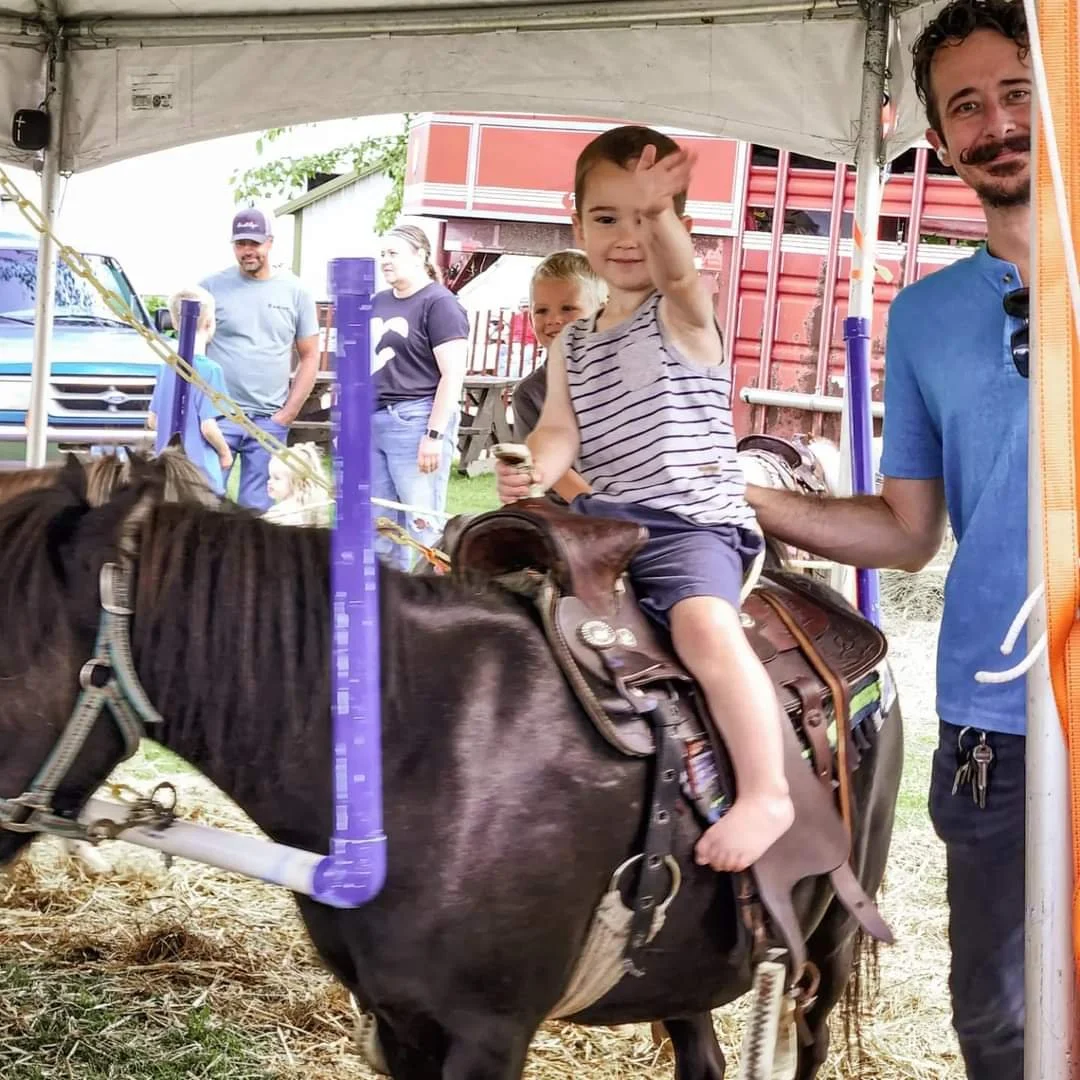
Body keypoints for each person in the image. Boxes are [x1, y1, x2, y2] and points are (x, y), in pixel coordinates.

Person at [746, 2, 1030, 1074]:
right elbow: (909, 533)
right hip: (995, 725)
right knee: (998, 1018)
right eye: (967, 107)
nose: (995, 122)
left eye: (1016, 93)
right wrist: (750, 497)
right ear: (944, 138)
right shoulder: (926, 318)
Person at [496, 125, 793, 872]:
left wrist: (663, 220)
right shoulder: (573, 344)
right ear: (577, 224)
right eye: (608, 218)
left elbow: (682, 276)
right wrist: (532, 468)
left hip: (693, 521)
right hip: (605, 521)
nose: (626, 236)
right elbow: (561, 429)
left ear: (678, 226)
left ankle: (766, 791)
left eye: (647, 216)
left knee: (702, 628)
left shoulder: (683, 316)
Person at [200, 208, 319, 511]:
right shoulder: (209, 289)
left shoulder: (296, 292)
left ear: (269, 242)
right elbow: (192, 352)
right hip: (218, 417)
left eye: (254, 243)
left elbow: (309, 356)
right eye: (241, 244)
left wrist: (288, 413)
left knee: (260, 511)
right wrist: (202, 411)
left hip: (268, 419)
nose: (247, 251)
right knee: (205, 503)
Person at [372, 223, 469, 571]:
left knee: (422, 521)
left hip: (416, 418)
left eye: (393, 253)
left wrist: (433, 435)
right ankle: (388, 604)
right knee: (380, 523)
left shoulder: (440, 304)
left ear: (421, 256)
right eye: (382, 254)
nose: (385, 260)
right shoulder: (379, 302)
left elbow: (452, 373)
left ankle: (438, 600)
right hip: (376, 418)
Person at [511, 250, 606, 503]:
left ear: (603, 310)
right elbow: (556, 474)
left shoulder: (623, 376)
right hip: (568, 512)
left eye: (568, 308)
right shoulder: (530, 393)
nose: (553, 319)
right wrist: (604, 513)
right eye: (541, 310)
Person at [146, 286, 232, 495]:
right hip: (199, 475)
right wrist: (224, 452)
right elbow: (208, 427)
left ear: (174, 323)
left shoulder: (165, 367)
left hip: (167, 468)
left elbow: (152, 421)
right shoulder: (210, 370)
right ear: (210, 323)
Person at [263, 441, 332, 527]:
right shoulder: (315, 509)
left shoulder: (279, 514)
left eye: (277, 478)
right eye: (270, 477)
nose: (269, 482)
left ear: (298, 483)